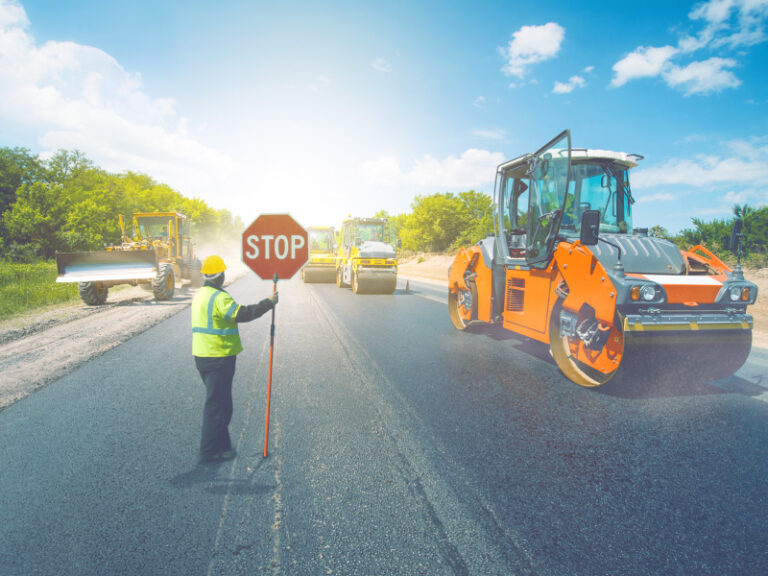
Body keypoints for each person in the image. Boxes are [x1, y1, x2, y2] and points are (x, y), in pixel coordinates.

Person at [191, 255, 278, 462]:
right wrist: (269, 303)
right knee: (217, 405)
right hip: (218, 357)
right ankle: (209, 450)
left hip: (203, 356)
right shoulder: (220, 297)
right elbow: (243, 314)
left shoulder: (200, 294)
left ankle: (222, 446)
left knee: (220, 403)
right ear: (220, 275)